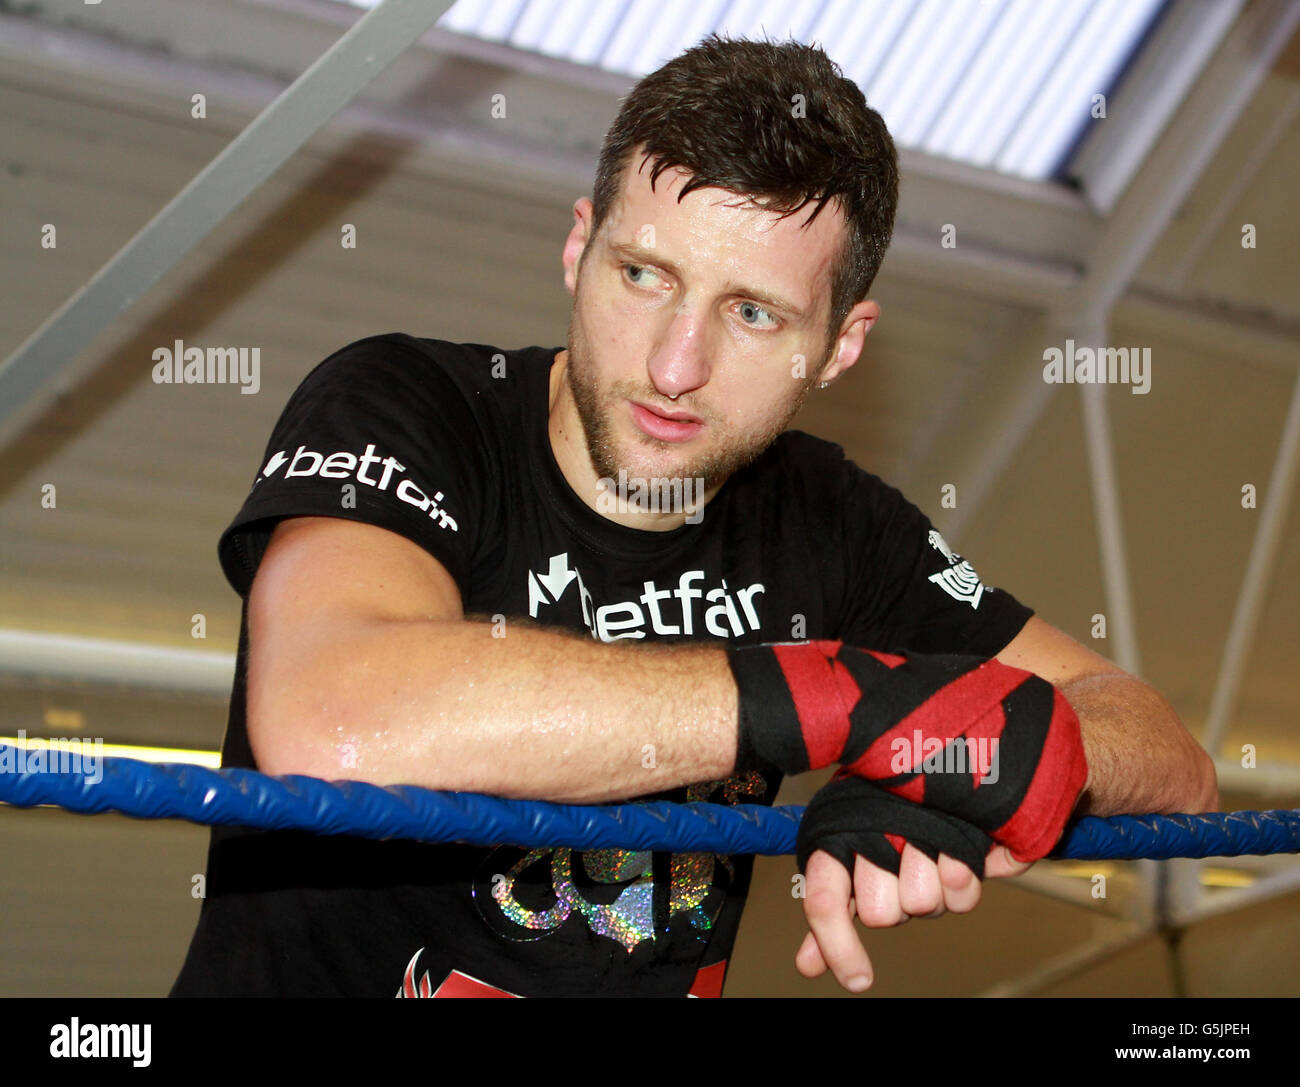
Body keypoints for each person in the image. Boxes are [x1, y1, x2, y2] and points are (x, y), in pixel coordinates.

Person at [170, 34, 1217, 998]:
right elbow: (334, 721)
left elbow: (1169, 758)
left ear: (840, 346)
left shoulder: (830, 521)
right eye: (642, 274)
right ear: (579, 250)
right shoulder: (408, 408)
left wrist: (946, 774)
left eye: (753, 314)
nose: (675, 366)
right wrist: (840, 703)